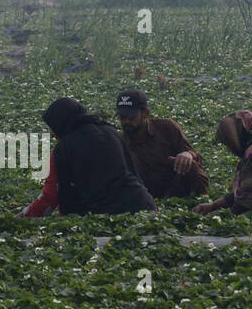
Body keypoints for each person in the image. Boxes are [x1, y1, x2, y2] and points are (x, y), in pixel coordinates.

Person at [20, 97, 155, 217]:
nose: (52, 134)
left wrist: (22, 217)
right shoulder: (112, 132)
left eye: (53, 127)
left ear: (61, 123)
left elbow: (50, 196)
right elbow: (134, 175)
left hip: (103, 216)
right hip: (144, 207)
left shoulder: (63, 149)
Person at [115, 89, 209, 199]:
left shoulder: (167, 127)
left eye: (131, 118)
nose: (126, 122)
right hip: (146, 195)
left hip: (178, 188)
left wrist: (188, 154)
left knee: (191, 165)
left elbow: (197, 157)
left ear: (146, 114)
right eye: (122, 118)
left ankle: (202, 202)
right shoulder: (119, 142)